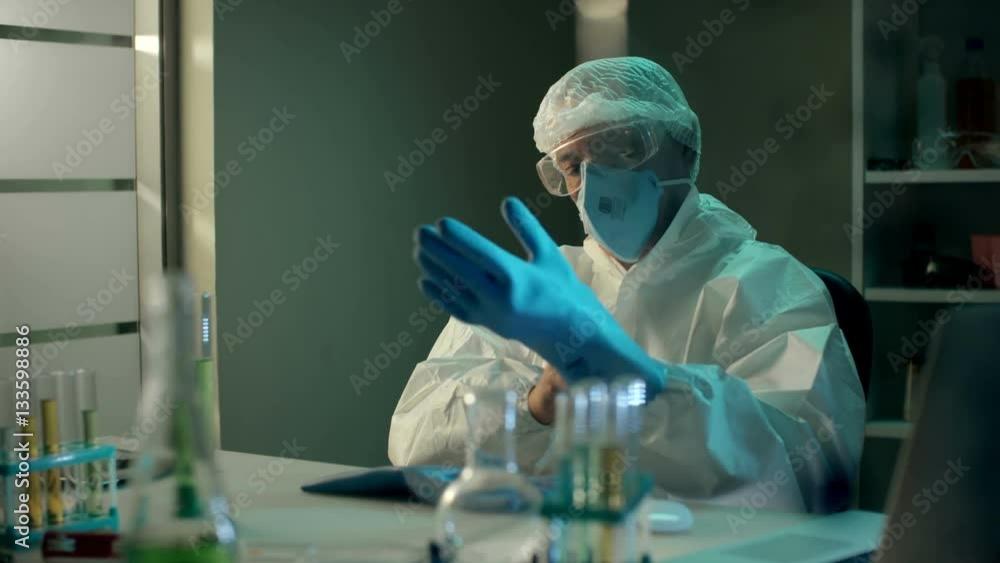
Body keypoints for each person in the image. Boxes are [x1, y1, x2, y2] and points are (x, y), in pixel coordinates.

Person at [388, 57, 865, 513]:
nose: (597, 182)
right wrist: (540, 401)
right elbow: (413, 443)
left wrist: (639, 380)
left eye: (620, 147)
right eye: (574, 165)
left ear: (685, 148)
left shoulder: (767, 284)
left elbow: (811, 474)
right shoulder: (542, 291)